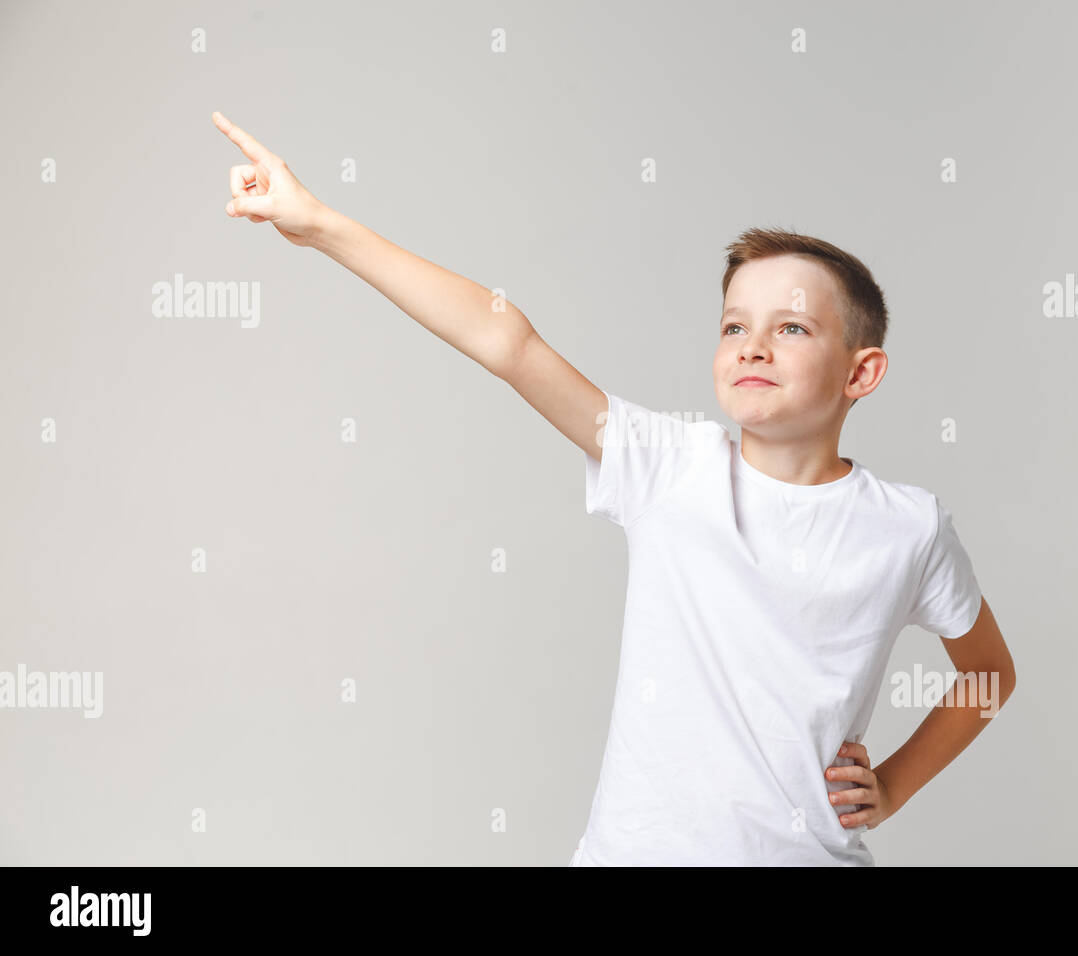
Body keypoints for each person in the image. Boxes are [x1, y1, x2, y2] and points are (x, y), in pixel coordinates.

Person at [212, 110, 1017, 866]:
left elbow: (989, 674)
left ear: (861, 372)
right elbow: (506, 340)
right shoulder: (669, 465)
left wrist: (895, 786)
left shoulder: (908, 528)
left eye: (793, 327)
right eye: (735, 325)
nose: (753, 346)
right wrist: (318, 225)